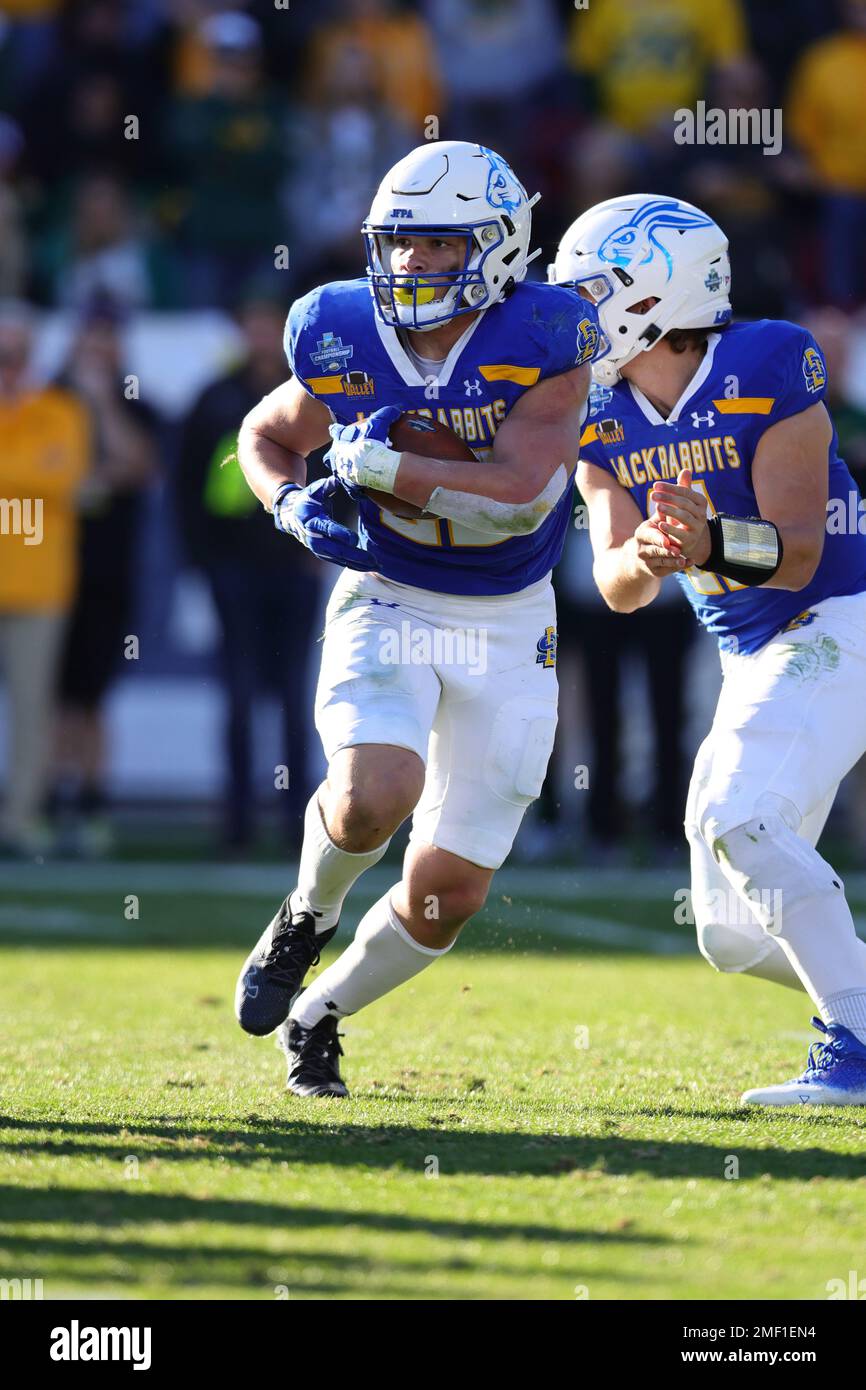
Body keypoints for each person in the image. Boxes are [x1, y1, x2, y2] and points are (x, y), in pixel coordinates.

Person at [233, 140, 598, 1097]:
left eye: (438, 245)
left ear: (501, 245)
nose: (411, 265)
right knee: (372, 794)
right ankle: (306, 915)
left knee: (447, 896)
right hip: (390, 590)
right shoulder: (341, 328)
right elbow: (268, 434)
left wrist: (385, 468)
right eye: (399, 244)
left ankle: (321, 1016)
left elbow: (524, 490)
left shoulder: (548, 334)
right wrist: (286, 502)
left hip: (510, 614)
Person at [551, 193, 866, 1105]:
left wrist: (708, 540)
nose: (577, 311)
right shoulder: (598, 411)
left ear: (654, 294)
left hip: (838, 617)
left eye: (594, 290)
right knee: (730, 932)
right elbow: (618, 585)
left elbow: (798, 549)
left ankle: (852, 1048)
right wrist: (646, 551)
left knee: (745, 820)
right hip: (750, 652)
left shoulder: (768, 359)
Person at [176, 290, 322, 853]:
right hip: (232, 569)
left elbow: (343, 467)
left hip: (295, 565)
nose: (261, 337)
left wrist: (323, 551)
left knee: (292, 693)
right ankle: (237, 823)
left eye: (269, 325)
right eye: (253, 324)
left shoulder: (312, 395)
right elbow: (188, 490)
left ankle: (294, 823)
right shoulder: (215, 398)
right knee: (237, 693)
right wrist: (201, 564)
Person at [50, 295, 158, 855]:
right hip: (45, 568)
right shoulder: (48, 396)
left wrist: (100, 404)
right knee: (48, 692)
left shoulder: (132, 397)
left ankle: (90, 803)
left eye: (106, 337)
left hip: (107, 570)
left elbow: (139, 461)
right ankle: (46, 801)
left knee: (92, 694)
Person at [0, 300, 90, 855]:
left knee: (32, 712)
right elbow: (40, 477)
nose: (9, 365)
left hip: (38, 586)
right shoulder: (50, 417)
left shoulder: (60, 410)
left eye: (17, 355)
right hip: (35, 574)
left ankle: (19, 821)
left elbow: (64, 478)